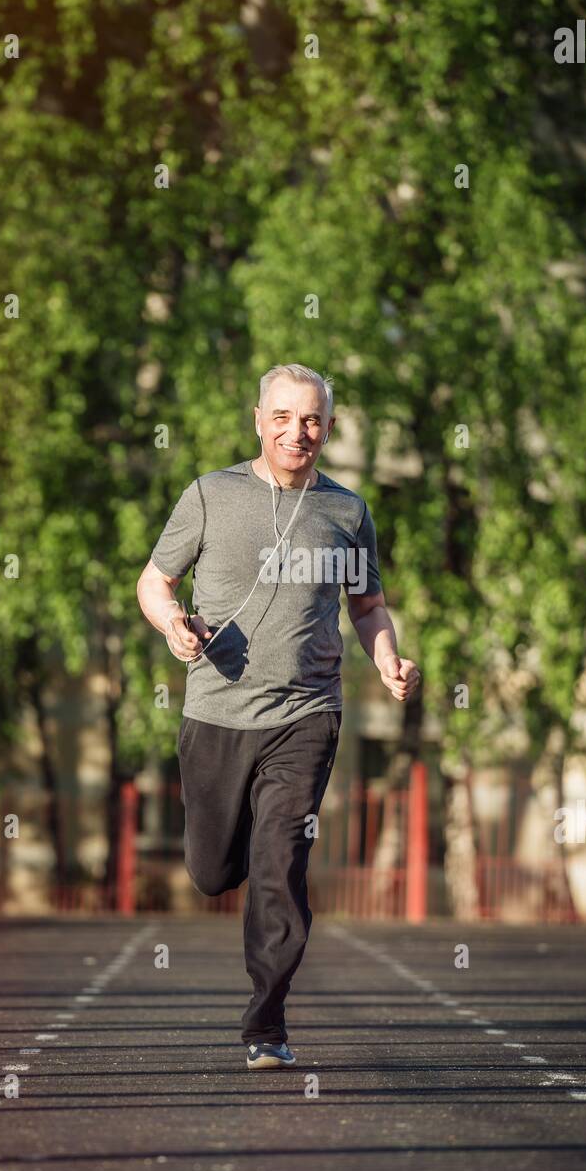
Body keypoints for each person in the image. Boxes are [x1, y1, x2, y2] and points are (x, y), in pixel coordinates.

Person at [136, 364, 420, 1069]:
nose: (300, 432)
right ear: (260, 420)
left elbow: (366, 606)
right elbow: (154, 579)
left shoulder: (347, 512)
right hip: (216, 713)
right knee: (210, 872)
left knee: (280, 862)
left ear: (328, 426)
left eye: (314, 419)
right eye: (285, 417)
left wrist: (388, 659)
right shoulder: (210, 494)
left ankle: (267, 1023)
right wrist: (173, 623)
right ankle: (220, 866)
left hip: (307, 713)